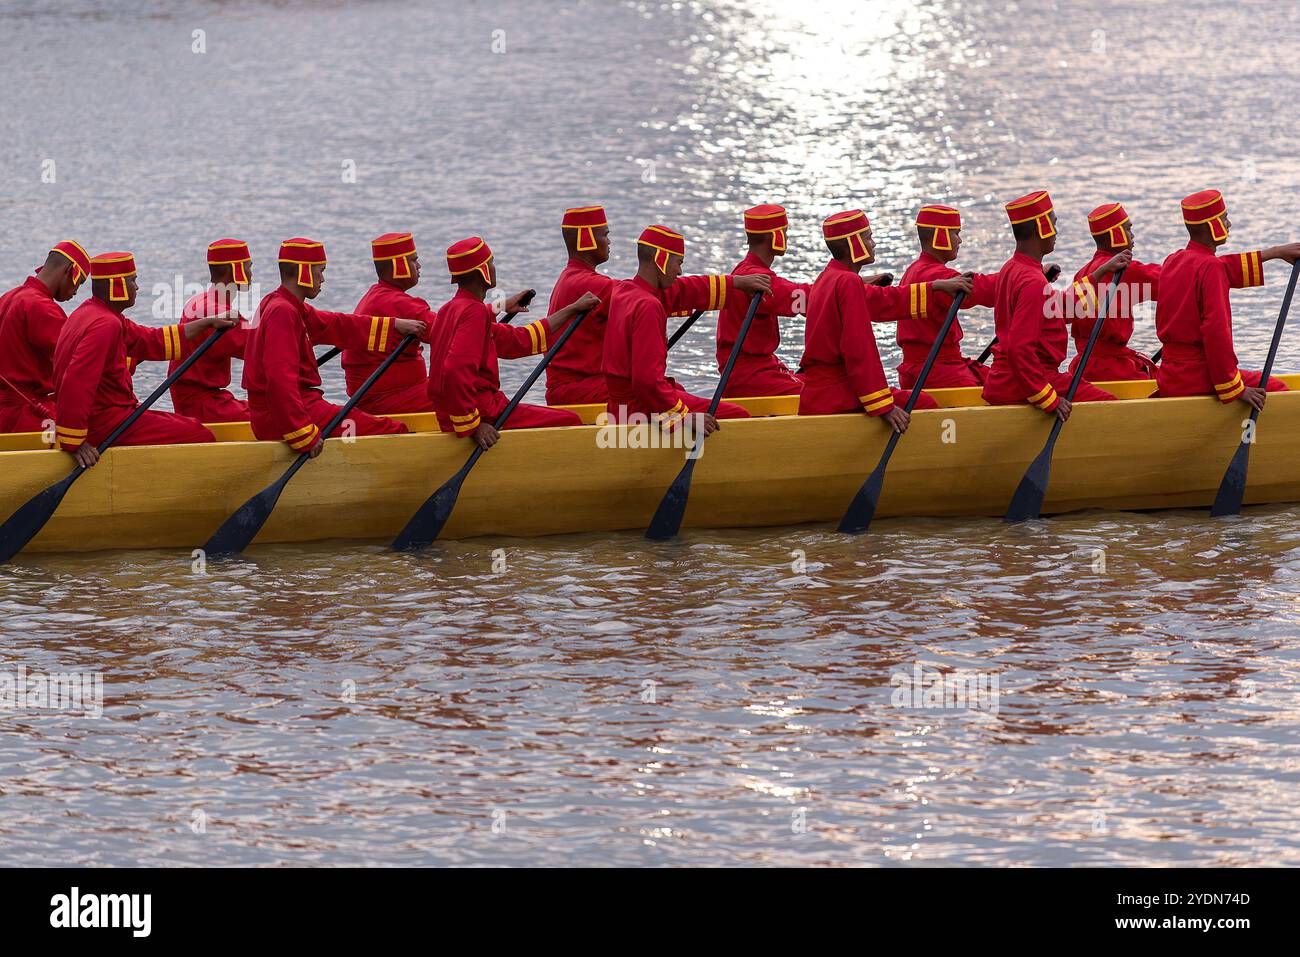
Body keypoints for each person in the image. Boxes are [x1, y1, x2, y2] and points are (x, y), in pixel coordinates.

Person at [242, 238, 427, 455]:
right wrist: (301, 433)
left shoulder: (285, 304)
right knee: (391, 431)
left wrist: (395, 325)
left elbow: (337, 325)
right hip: (287, 417)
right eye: (320, 271)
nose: (323, 278)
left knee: (371, 423)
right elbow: (280, 378)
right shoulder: (283, 312)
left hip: (289, 411)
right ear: (304, 272)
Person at [53, 252, 232, 466]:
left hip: (110, 418)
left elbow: (151, 340)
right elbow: (77, 382)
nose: (137, 287)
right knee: (200, 435)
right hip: (107, 425)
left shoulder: (93, 313)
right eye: (132, 280)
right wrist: (74, 441)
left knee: (190, 424)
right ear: (117, 285)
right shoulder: (105, 325)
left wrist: (206, 323)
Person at [798, 209, 970, 431]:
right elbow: (859, 349)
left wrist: (936, 286)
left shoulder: (828, 276)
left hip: (820, 391)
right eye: (869, 237)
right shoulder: (848, 282)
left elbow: (887, 300)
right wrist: (882, 405)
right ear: (855, 244)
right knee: (924, 403)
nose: (874, 243)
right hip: (837, 393)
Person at [427, 236, 597, 448]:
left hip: (455, 414)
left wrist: (571, 310)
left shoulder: (449, 309)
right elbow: (454, 370)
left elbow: (519, 340)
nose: (494, 267)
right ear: (483, 271)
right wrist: (474, 426)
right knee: (570, 421)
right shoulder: (475, 313)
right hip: (483, 413)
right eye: (491, 262)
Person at [604, 225, 772, 435]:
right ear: (661, 260)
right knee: (737, 415)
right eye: (679, 262)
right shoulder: (648, 305)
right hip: (638, 412)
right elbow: (646, 382)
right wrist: (682, 418)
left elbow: (686, 289)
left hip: (619, 408)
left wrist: (735, 282)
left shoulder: (625, 291)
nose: (680, 271)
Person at [982, 191, 1129, 420]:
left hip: (1007, 380)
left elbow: (1061, 308)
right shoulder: (1032, 280)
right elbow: (1019, 349)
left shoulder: (1012, 268)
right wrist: (1048, 399)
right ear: (1041, 227)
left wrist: (1100, 272)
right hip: (1028, 382)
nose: (1056, 232)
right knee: (1111, 407)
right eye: (1053, 223)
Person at [1154, 190, 1300, 406]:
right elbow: (1216, 332)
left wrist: (1275, 252)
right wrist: (1234, 388)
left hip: (1171, 375)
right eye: (1224, 218)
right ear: (1212, 225)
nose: (1229, 224)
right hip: (1199, 377)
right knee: (1277, 389)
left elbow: (1221, 266)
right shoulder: (1210, 267)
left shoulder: (1173, 260)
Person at [896, 205, 999, 389]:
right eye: (955, 233)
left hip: (920, 370)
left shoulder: (913, 270)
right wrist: (1024, 276)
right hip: (937, 372)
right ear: (940, 236)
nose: (960, 240)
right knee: (1004, 389)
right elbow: (981, 289)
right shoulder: (936, 275)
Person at [715, 204, 810, 397]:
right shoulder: (756, 277)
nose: (787, 238)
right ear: (775, 237)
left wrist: (855, 283)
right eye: (785, 232)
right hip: (749, 377)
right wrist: (844, 291)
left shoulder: (745, 269)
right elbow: (801, 296)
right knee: (821, 393)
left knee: (818, 381)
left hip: (759, 370)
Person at [0, 241, 91, 433]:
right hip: (29, 416)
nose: (75, 292)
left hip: (5, 413)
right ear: (68, 272)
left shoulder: (7, 298)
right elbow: (79, 359)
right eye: (79, 282)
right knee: (95, 434)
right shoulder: (42, 307)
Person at [169, 239, 254, 422]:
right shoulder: (216, 311)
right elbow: (260, 345)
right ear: (235, 270)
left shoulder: (200, 300)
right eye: (248, 266)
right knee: (271, 414)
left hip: (203, 400)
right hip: (203, 406)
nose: (251, 273)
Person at [545, 206, 617, 405]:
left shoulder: (570, 277)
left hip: (584, 386)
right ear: (587, 240)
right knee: (651, 389)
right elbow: (639, 296)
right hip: (578, 391)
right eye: (605, 235)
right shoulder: (587, 283)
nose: (609, 242)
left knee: (663, 387)